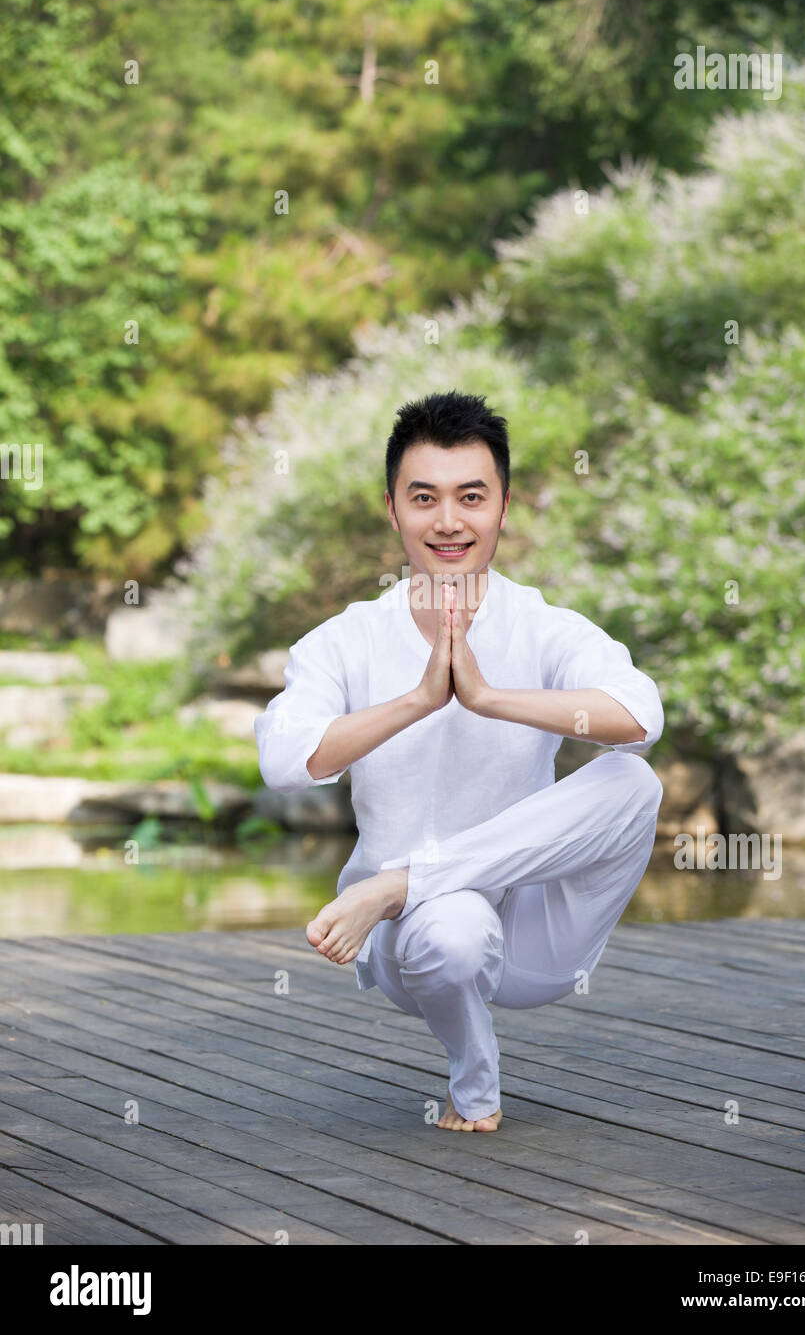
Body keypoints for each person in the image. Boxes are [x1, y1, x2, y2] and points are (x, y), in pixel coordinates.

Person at [255, 390, 664, 1133]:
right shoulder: (345, 640)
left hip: (536, 928)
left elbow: (640, 718)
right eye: (425, 498)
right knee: (450, 929)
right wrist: (416, 700)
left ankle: (398, 884)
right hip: (416, 941)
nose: (449, 521)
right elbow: (284, 761)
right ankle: (474, 1079)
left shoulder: (543, 626)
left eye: (471, 497)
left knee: (632, 780)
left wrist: (488, 696)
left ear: (504, 506)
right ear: (392, 509)